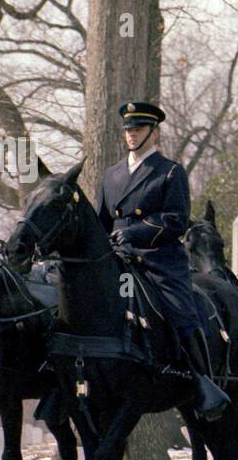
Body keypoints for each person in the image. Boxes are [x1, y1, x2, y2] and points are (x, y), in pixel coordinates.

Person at [97, 100, 228, 420]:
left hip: (157, 260)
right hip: (117, 259)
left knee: (180, 309)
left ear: (154, 133)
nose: (131, 135)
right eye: (128, 129)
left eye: (138, 129)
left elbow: (175, 220)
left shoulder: (170, 172)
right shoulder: (111, 174)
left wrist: (135, 233)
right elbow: (101, 221)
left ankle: (201, 380)